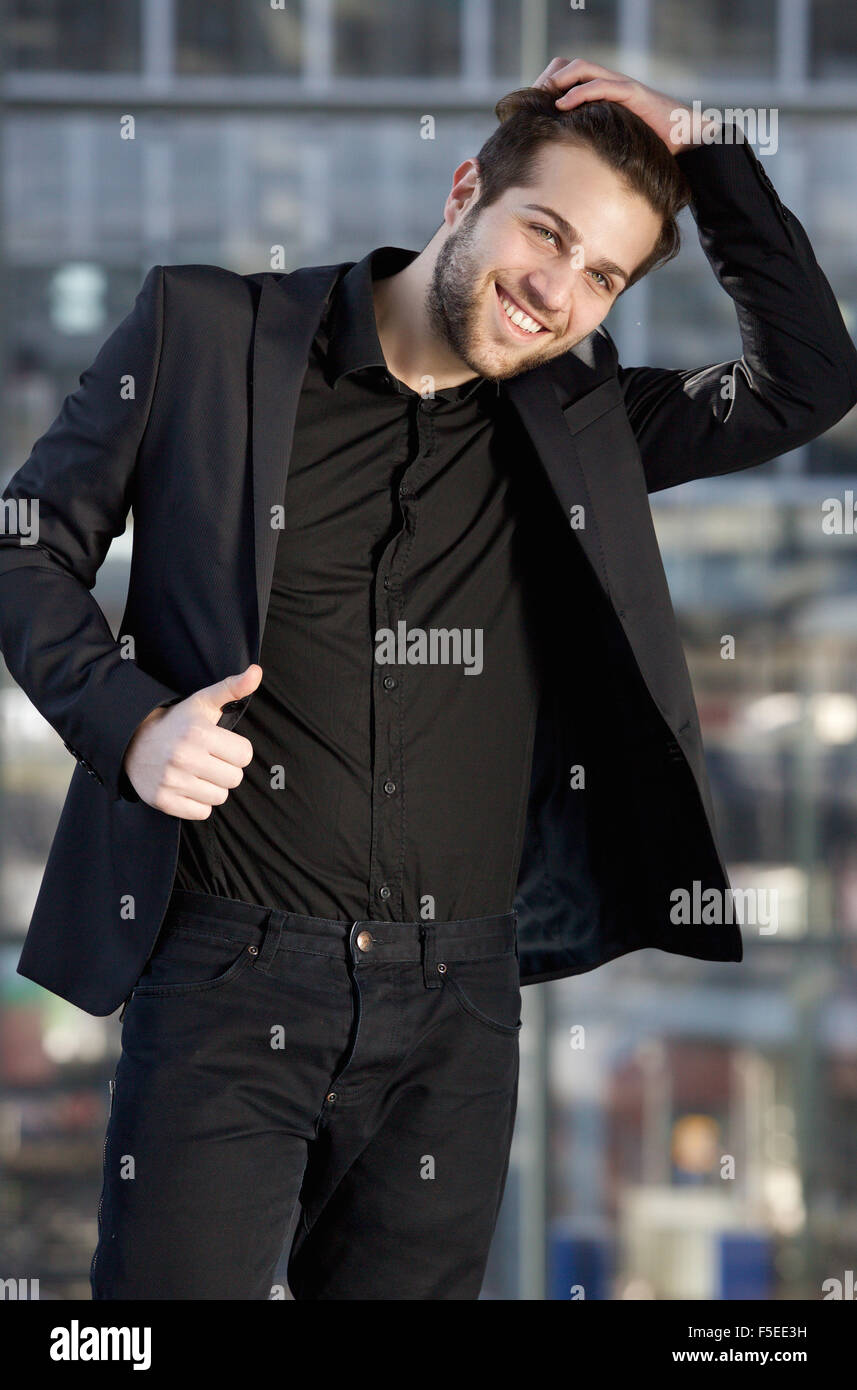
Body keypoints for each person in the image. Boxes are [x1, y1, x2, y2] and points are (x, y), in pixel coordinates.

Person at [1, 59, 855, 1300]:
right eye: (544, 233)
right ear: (467, 191)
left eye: (600, 275)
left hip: (457, 1006)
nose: (554, 292)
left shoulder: (586, 422)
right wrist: (126, 725)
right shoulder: (204, 335)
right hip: (229, 985)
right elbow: (27, 543)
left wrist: (699, 140)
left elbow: (809, 377)